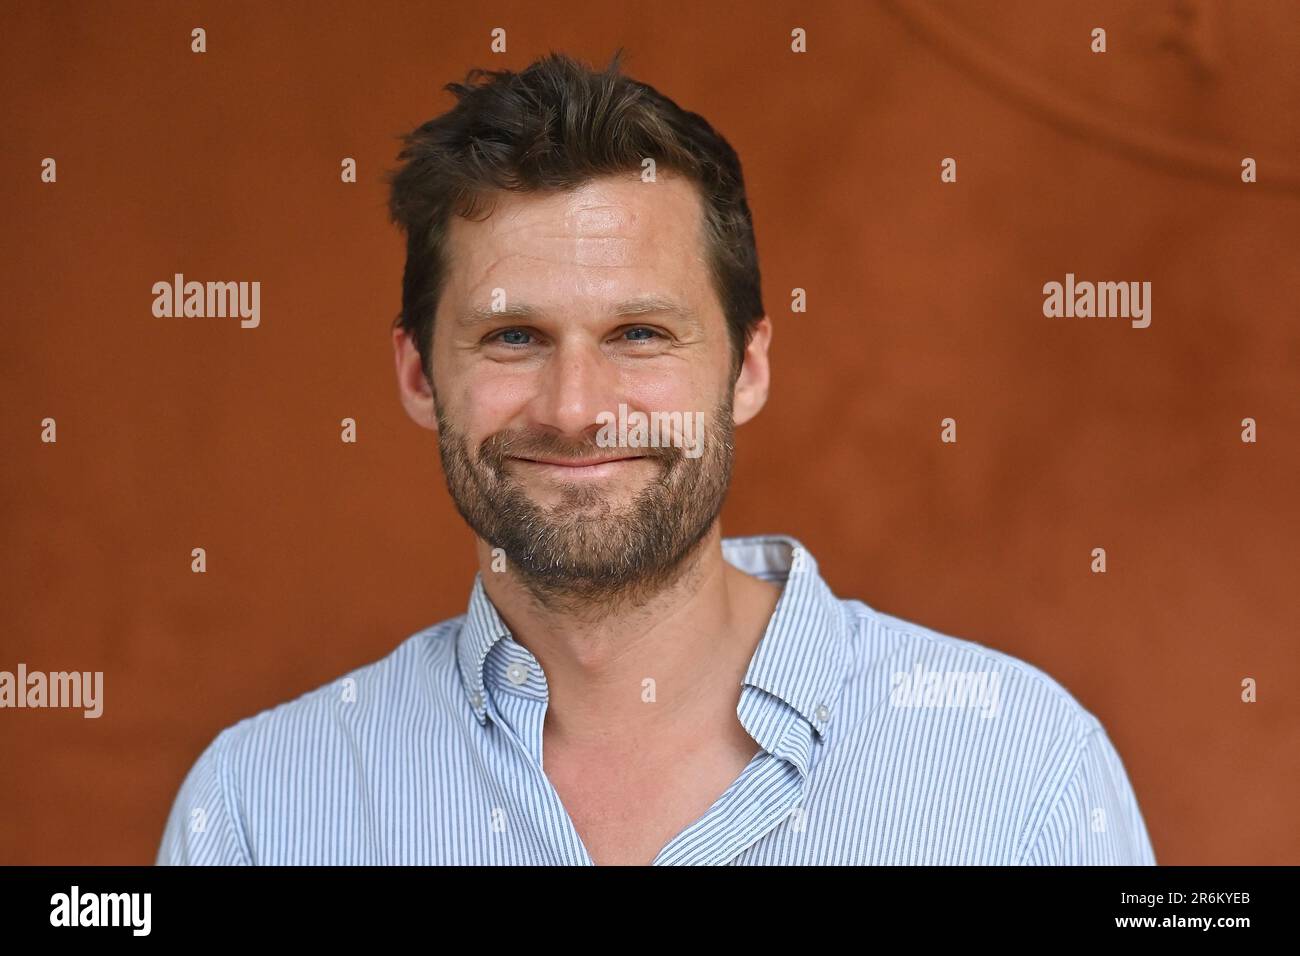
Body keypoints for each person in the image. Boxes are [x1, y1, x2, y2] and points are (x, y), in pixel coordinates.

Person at [157, 50, 1156, 866]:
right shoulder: (259, 809)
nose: (576, 409)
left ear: (748, 367)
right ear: (419, 375)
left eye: (639, 332)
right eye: (513, 337)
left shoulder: (1022, 768)